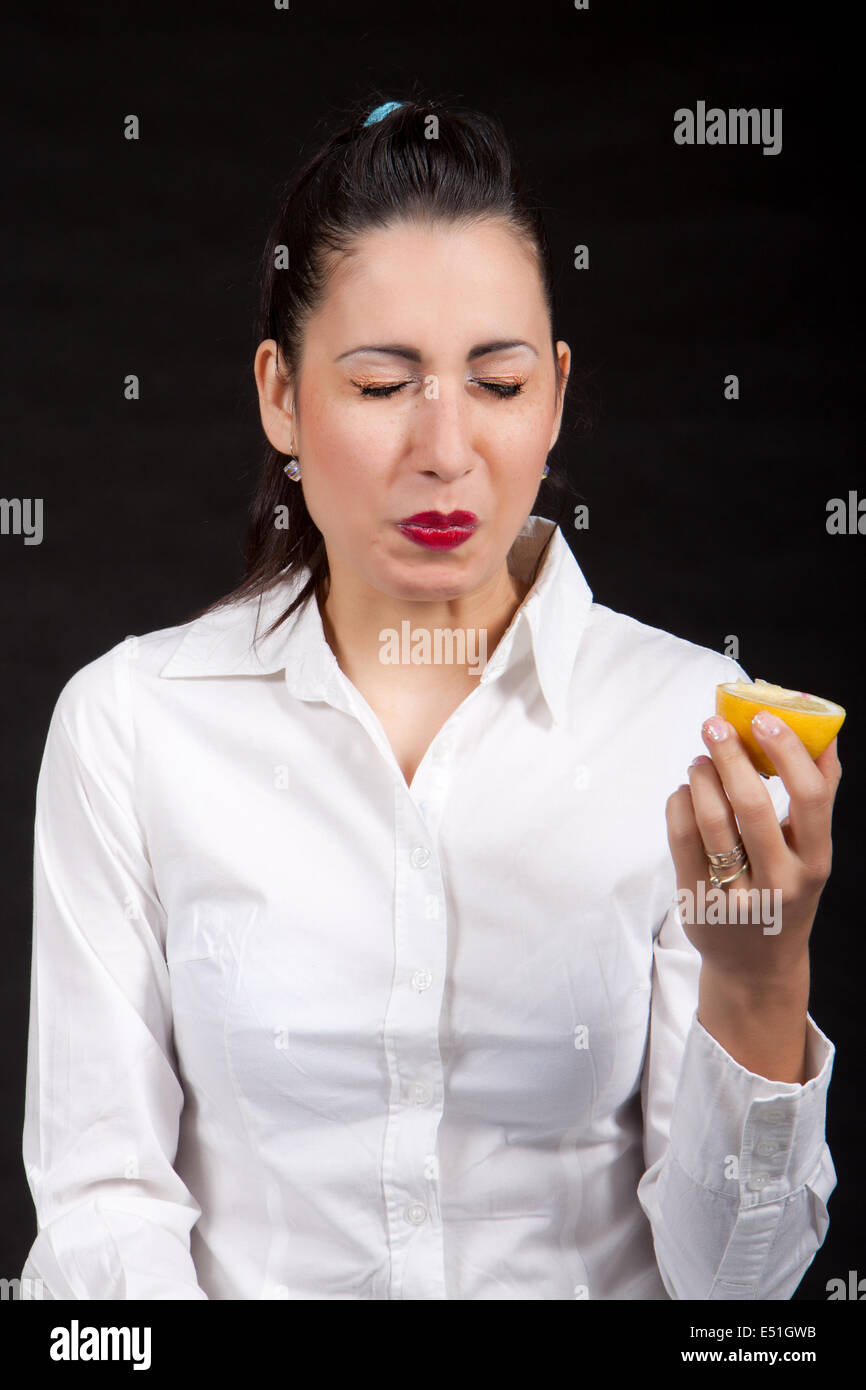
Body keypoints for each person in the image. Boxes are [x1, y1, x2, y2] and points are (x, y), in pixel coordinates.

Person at [21, 95, 838, 1301]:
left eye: (496, 383)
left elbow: (734, 1294)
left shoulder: (689, 721)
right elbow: (102, 1217)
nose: (445, 448)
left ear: (553, 396)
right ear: (280, 396)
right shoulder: (132, 724)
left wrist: (758, 979)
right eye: (380, 382)